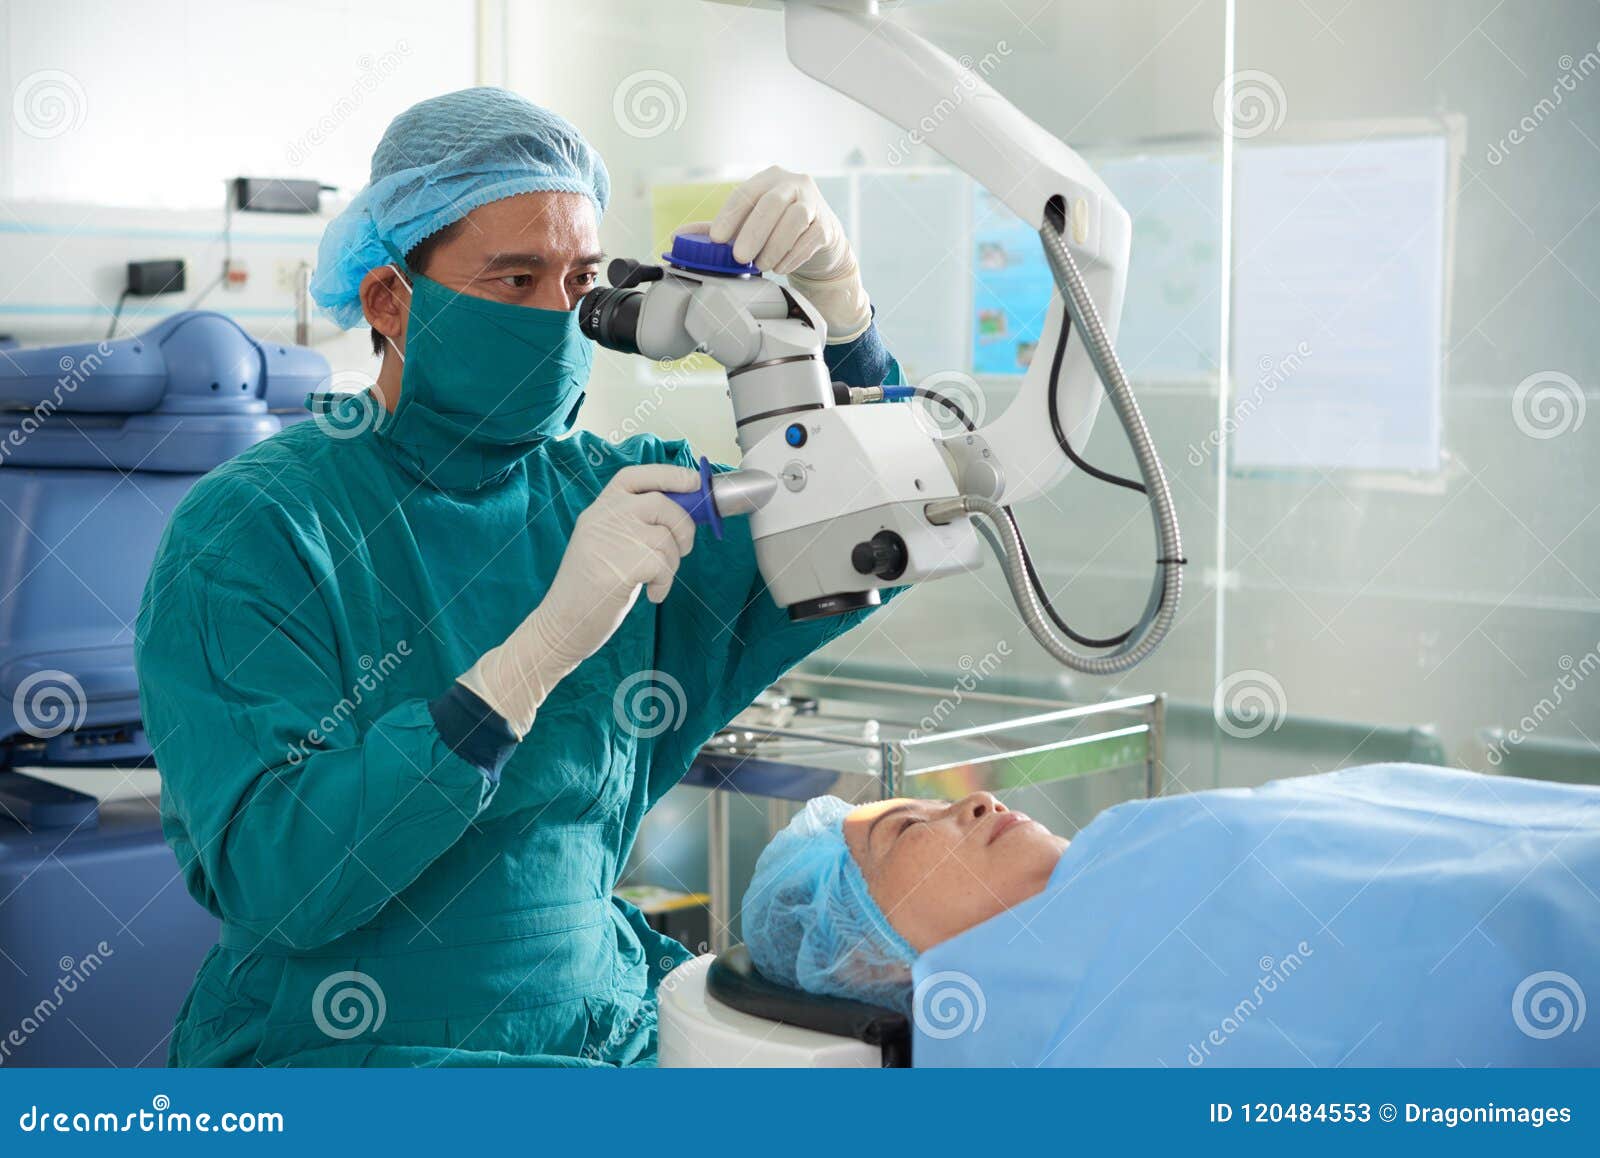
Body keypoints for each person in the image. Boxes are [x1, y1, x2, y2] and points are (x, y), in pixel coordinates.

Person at [134, 87, 902, 1067]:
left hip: (600, 1036)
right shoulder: (258, 527)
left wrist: (842, 320)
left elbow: (881, 526)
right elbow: (279, 876)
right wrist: (527, 664)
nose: (558, 314)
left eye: (580, 278)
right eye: (514, 279)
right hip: (349, 1057)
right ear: (388, 301)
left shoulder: (618, 494)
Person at [742, 765, 1600, 1066]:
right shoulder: (1090, 1047)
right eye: (906, 829)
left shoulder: (1137, 856)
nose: (970, 804)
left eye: (932, 802)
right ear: (872, 964)